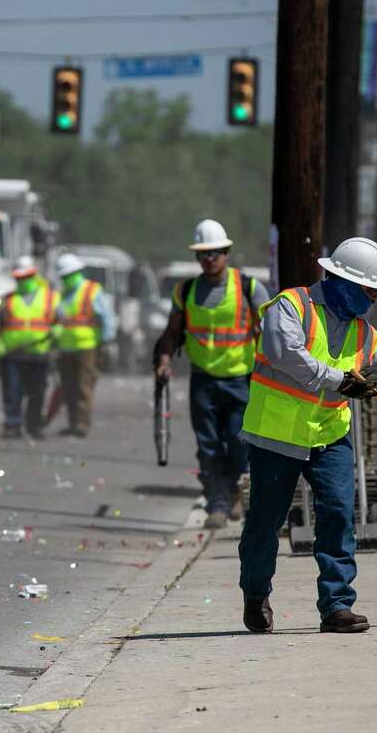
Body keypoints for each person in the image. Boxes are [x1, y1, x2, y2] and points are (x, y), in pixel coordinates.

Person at [237, 237, 377, 634]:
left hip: (329, 436)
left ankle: (336, 605)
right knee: (266, 522)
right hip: (276, 436)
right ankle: (256, 592)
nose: (375, 300)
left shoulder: (365, 334)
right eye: (370, 291)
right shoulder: (290, 307)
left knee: (338, 514)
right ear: (342, 282)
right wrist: (339, 381)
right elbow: (286, 354)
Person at [154, 219, 269, 529]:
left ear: (226, 253)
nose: (209, 259)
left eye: (215, 253)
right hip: (203, 380)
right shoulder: (186, 290)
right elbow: (173, 331)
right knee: (208, 444)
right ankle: (217, 503)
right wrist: (164, 359)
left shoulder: (248, 287)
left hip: (241, 379)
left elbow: (270, 331)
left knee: (238, 441)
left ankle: (233, 492)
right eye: (203, 253)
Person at [0, 256, 57, 440]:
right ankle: (13, 424)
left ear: (34, 275)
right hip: (13, 354)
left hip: (39, 353)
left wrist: (58, 329)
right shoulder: (8, 299)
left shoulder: (49, 298)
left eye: (26, 277)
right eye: (19, 278)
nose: (22, 281)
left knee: (37, 393)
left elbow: (59, 318)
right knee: (12, 391)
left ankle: (34, 425)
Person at [52, 252, 116, 437]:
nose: (66, 279)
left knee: (83, 387)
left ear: (77, 272)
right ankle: (73, 422)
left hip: (87, 347)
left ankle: (82, 423)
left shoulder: (91, 290)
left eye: (68, 275)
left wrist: (106, 340)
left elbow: (106, 317)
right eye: (63, 276)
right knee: (68, 387)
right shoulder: (62, 294)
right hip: (65, 348)